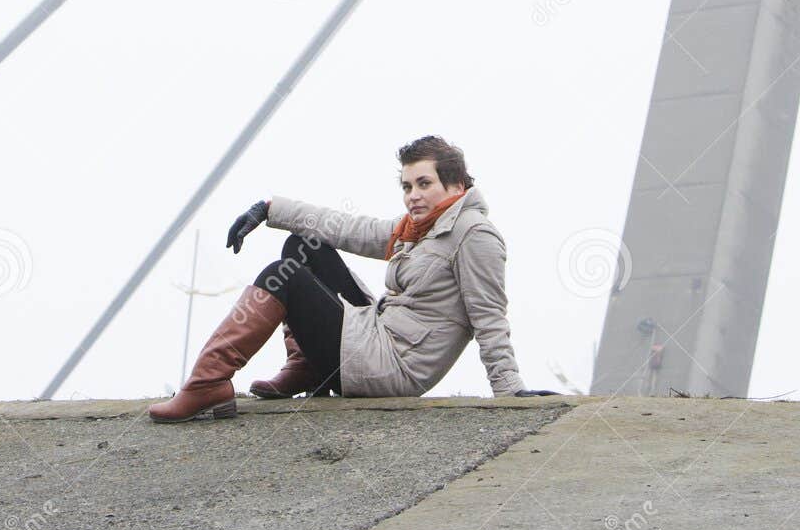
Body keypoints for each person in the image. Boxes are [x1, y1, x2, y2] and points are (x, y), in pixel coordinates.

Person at [148, 135, 554, 423]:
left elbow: (489, 314)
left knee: (281, 277)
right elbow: (347, 227)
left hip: (391, 368)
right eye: (407, 185)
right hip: (376, 336)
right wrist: (270, 209)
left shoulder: (473, 236)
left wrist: (510, 390)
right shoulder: (417, 230)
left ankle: (207, 383)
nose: (413, 194)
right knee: (304, 246)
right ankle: (306, 366)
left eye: (424, 184)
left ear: (458, 185)